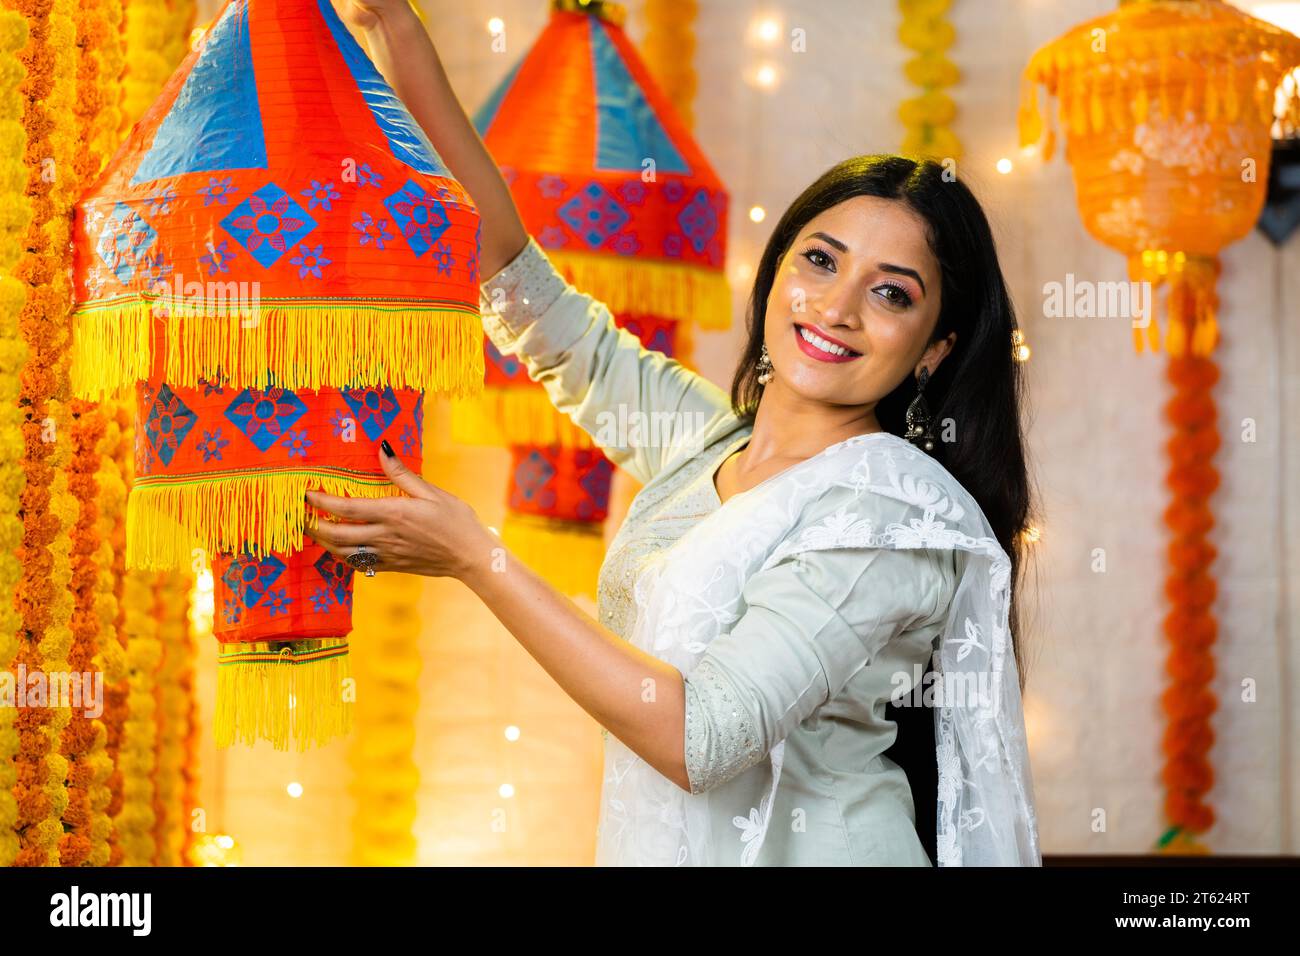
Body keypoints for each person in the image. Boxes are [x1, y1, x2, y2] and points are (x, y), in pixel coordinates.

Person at [306, 0, 1042, 865]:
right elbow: (523, 290)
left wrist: (479, 558)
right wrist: (395, 31)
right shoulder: (708, 443)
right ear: (775, 275)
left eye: (891, 293)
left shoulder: (889, 514)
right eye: (820, 259)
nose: (836, 307)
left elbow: (701, 738)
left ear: (935, 349)